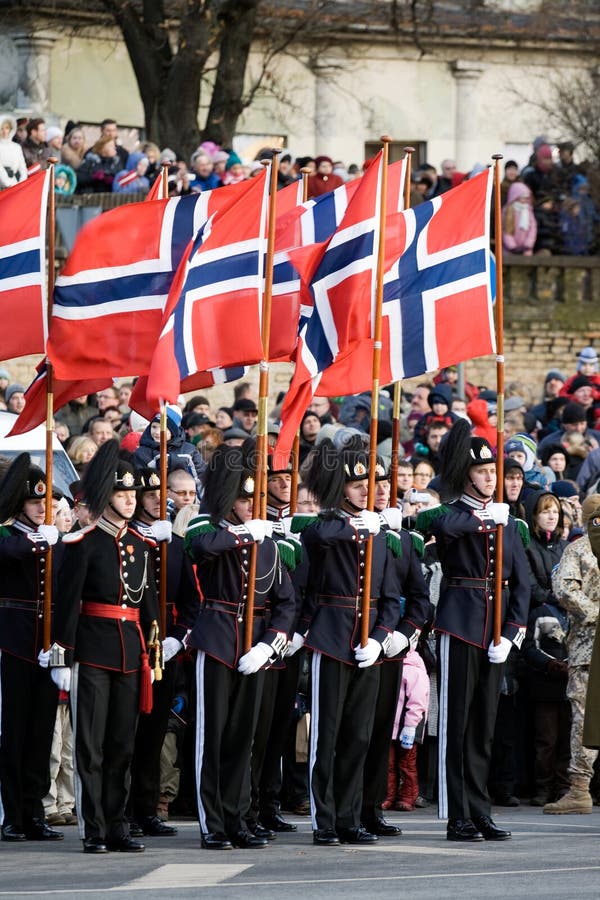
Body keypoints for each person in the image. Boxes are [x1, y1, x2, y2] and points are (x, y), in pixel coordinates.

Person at [415, 419, 530, 842]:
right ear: (467, 475)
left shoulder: (508, 520)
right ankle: (456, 812)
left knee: (484, 725)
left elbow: (522, 582)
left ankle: (479, 809)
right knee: (458, 723)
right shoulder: (453, 514)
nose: (489, 478)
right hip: (460, 623)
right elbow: (441, 527)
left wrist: (514, 629)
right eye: (482, 472)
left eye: (493, 472)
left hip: (496, 631)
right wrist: (487, 522)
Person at [50, 441, 159, 853]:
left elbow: (145, 603)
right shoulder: (84, 543)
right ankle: (93, 827)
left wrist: (153, 646)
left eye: (133, 494)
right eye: (121, 493)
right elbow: (68, 602)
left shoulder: (141, 546)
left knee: (121, 745)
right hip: (93, 650)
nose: (131, 500)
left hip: (130, 652)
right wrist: (63, 652)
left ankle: (118, 825)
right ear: (105, 497)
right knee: (91, 746)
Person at [184, 445, 295, 849]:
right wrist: (240, 534)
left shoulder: (267, 542)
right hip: (217, 640)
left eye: (255, 500)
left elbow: (286, 602)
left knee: (243, 739)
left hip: (256, 650)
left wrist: (270, 646)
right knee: (210, 739)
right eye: (244, 499)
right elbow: (200, 547)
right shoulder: (211, 528)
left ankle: (236, 817)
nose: (251, 507)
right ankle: (211, 822)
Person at [294, 441, 401, 846]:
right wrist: (359, 525)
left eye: (369, 484)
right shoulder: (325, 527)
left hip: (367, 642)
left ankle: (349, 816)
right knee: (327, 734)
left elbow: (391, 598)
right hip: (330, 637)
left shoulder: (380, 533)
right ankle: (324, 819)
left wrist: (379, 638)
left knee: (359, 735)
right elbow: (319, 535)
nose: (365, 491)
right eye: (356, 485)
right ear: (342, 489)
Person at [128, 468, 200, 837]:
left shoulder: (175, 543)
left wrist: (179, 639)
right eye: (150, 492)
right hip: (128, 645)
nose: (158, 498)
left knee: (155, 732)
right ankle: (120, 810)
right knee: (125, 732)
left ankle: (146, 809)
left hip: (163, 649)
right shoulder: (126, 540)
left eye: (162, 493)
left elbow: (192, 599)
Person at [361, 464, 430, 836]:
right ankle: (341, 809)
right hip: (352, 645)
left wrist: (404, 634)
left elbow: (419, 597)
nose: (384, 491)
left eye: (387, 484)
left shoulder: (403, 540)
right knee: (351, 733)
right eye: (374, 485)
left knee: (380, 734)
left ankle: (372, 809)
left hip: (390, 649)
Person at [0, 455, 63, 843]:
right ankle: (11, 813)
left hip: (47, 645)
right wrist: (35, 541)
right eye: (35, 502)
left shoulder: (55, 538)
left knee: (42, 731)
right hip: (12, 641)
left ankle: (34, 810)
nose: (44, 507)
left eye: (47, 502)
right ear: (19, 504)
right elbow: (7, 553)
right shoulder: (8, 535)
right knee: (14, 731)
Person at [544, 493, 600, 815]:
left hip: (587, 649)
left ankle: (579, 789)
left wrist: (594, 612)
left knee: (583, 721)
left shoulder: (578, 548)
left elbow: (564, 589)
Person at [0, 116, 27, 189]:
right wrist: (8, 183)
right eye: (2, 128)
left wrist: (21, 183)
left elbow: (23, 168)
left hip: (15, 184)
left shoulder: (17, 147)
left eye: (7, 128)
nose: (5, 131)